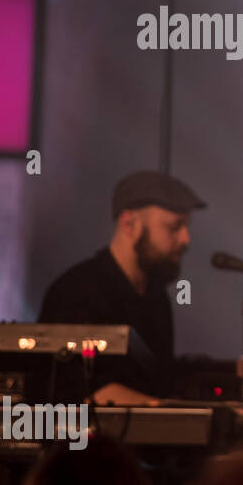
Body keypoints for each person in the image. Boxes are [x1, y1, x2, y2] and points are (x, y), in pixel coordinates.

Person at [38, 170, 205, 399]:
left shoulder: (156, 297)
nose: (186, 239)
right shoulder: (77, 291)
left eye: (186, 227)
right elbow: (81, 393)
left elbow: (159, 381)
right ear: (129, 224)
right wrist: (165, 413)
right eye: (174, 227)